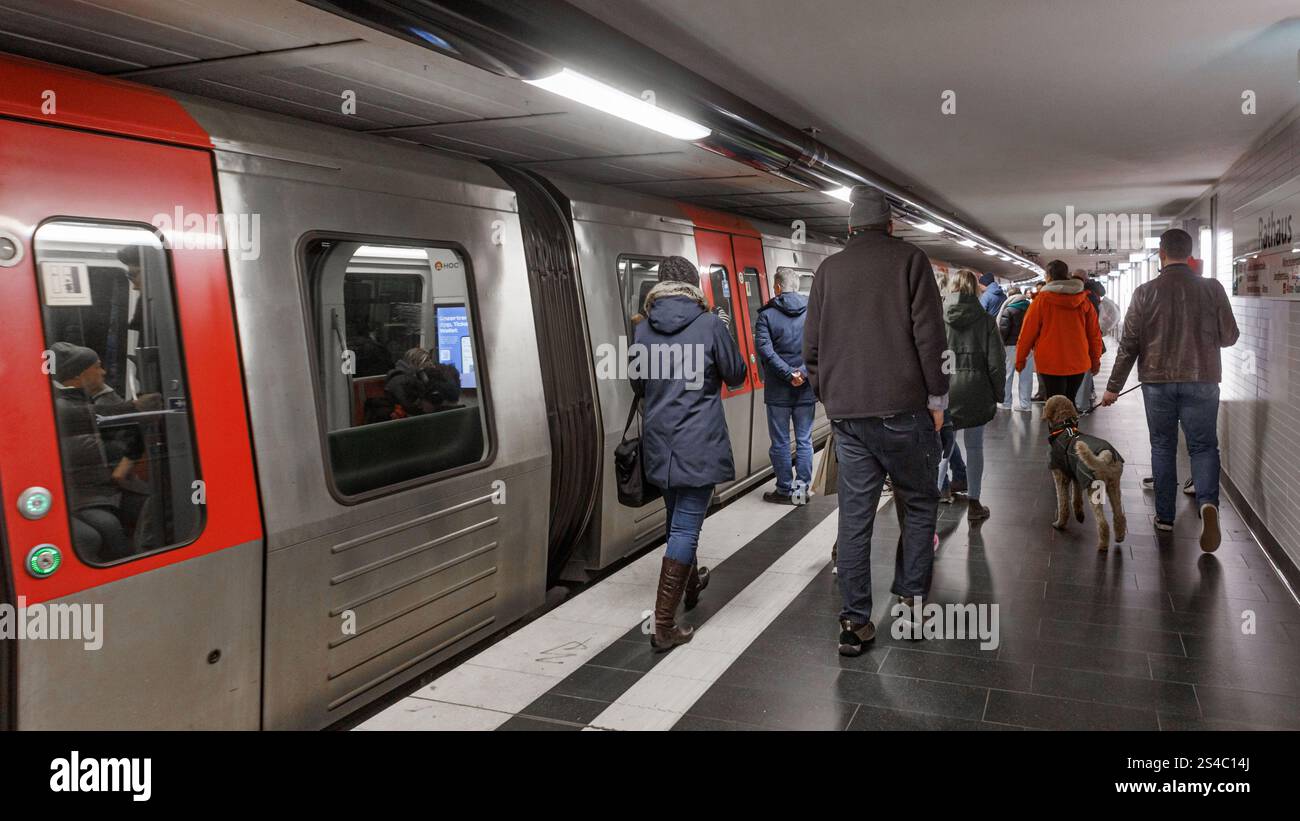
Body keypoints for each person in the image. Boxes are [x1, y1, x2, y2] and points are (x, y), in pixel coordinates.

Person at [804, 185, 947, 657]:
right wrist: (937, 397)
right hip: (903, 411)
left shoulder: (827, 270)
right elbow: (930, 335)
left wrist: (831, 396)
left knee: (855, 517)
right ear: (891, 225)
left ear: (849, 228)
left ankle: (855, 622)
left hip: (847, 417)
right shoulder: (911, 260)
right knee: (920, 503)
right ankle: (910, 603)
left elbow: (812, 348)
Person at [631, 255, 746, 651]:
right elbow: (736, 374)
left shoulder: (642, 329)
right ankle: (664, 626)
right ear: (694, 285)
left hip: (660, 443)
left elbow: (637, 385)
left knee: (675, 516)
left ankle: (692, 584)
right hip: (698, 442)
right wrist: (724, 336)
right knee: (684, 527)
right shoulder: (710, 323)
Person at [1102, 228, 1239, 550]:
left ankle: (1165, 516)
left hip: (1157, 381)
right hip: (1203, 379)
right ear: (1190, 256)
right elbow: (1230, 336)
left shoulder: (1145, 292)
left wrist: (1112, 388)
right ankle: (1208, 504)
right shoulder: (1212, 288)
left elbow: (1129, 345)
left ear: (1161, 254)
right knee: (1203, 447)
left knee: (1162, 446)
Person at [50, 342, 158, 562]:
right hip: (80, 495)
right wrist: (135, 408)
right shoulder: (58, 406)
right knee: (108, 528)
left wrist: (124, 465)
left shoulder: (90, 398)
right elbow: (93, 417)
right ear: (80, 375)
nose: (103, 372)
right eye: (97, 367)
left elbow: (126, 435)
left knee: (153, 506)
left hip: (108, 489)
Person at [942, 270, 1005, 521]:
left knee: (943, 447)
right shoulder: (987, 321)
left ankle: (940, 491)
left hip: (945, 389)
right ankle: (975, 504)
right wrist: (998, 394)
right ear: (976, 290)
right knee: (975, 447)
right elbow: (996, 364)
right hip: (976, 390)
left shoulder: (938, 318)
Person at [754, 267, 815, 504]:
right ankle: (801, 491)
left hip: (778, 391)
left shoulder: (766, 315)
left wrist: (788, 374)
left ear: (777, 287)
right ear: (797, 287)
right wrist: (802, 373)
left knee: (780, 441)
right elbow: (818, 348)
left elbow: (765, 352)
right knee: (804, 440)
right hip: (806, 389)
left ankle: (784, 489)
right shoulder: (812, 313)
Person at [1015, 259, 1102, 403]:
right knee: (1069, 402)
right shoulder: (1083, 300)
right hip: (1078, 361)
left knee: (1056, 405)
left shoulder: (1041, 301)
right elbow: (1094, 335)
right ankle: (1069, 426)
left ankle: (1060, 426)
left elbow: (1026, 334)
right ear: (1066, 275)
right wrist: (1095, 360)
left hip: (1050, 363)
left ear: (1048, 277)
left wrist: (1020, 360)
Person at [1072, 269, 1107, 410]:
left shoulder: (1086, 297)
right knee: (1087, 371)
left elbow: (1091, 330)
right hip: (1088, 339)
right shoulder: (1094, 294)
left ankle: (1081, 405)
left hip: (1083, 340)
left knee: (1084, 370)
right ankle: (1085, 399)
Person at [997, 287, 1033, 411]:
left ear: (1010, 296)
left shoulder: (1009, 310)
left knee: (1008, 374)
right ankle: (1025, 404)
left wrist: (1000, 345)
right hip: (1029, 346)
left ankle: (1006, 403)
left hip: (1011, 346)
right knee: (1026, 376)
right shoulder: (1031, 308)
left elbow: (1003, 330)